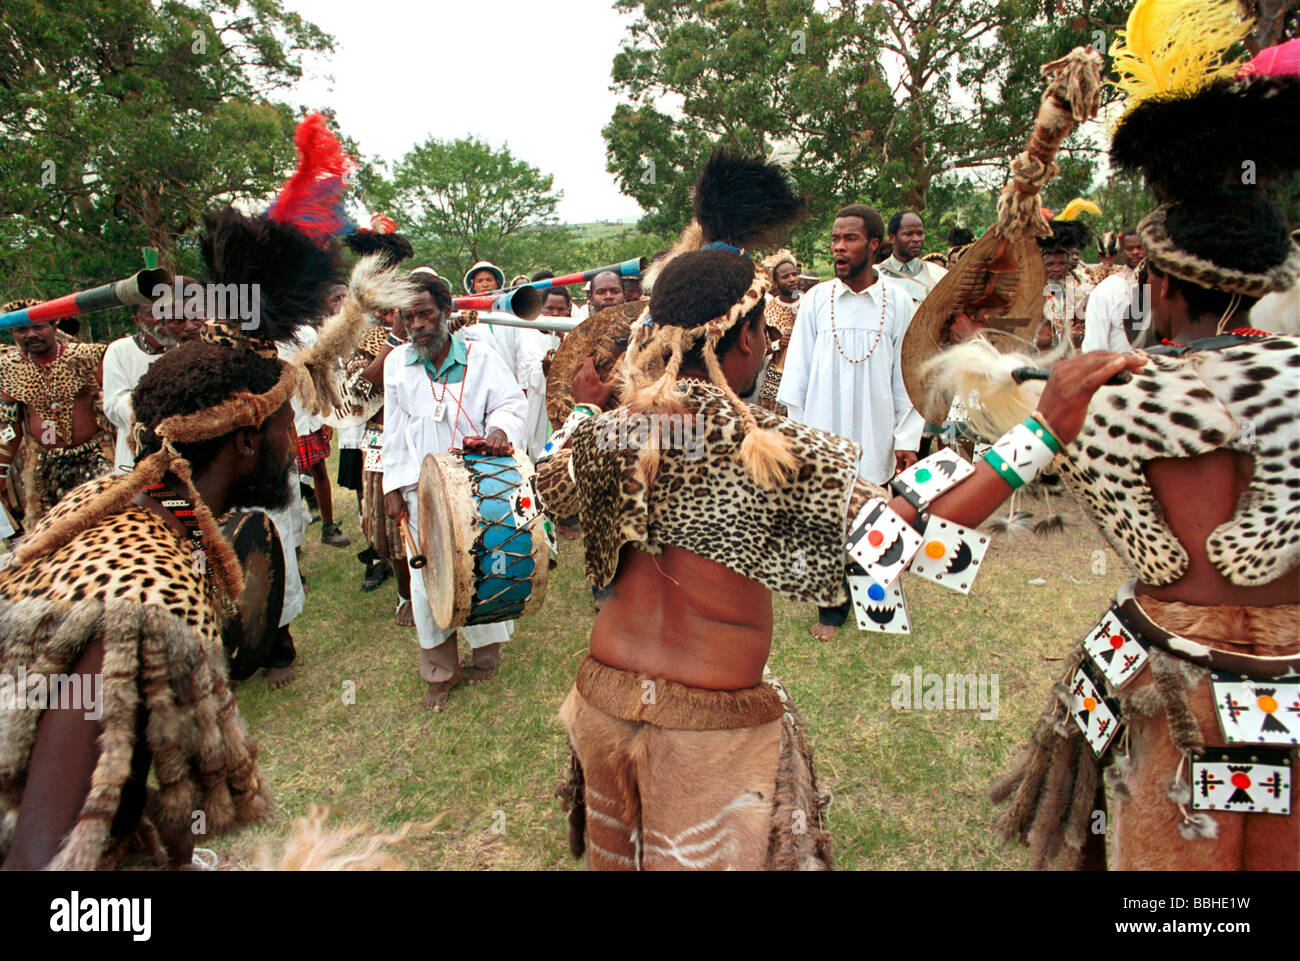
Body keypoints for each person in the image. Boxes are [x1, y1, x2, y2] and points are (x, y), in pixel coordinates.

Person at [977, 15, 1300, 870]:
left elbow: (931, 532)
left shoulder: (1108, 393)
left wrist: (1043, 427)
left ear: (1156, 281)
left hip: (1163, 678)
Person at [0, 179, 347, 867]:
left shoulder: (114, 509)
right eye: (285, 420)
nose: (293, 439)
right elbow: (41, 857)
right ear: (245, 441)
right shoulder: (140, 596)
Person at [381, 273, 527, 712]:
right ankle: (440, 671)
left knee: (484, 567)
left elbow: (510, 404)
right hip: (421, 492)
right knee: (430, 581)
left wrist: (500, 430)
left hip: (479, 486)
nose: (417, 325)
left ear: (446, 311)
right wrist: (392, 486)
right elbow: (394, 429)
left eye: (425, 313)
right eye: (409, 317)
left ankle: (485, 654)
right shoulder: (396, 364)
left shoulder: (481, 358)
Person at [777, 204, 923, 641]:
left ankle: (873, 597)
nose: (839, 247)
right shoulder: (817, 300)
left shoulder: (897, 301)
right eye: (835, 239)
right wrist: (798, 435)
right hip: (823, 428)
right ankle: (831, 606)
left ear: (874, 245)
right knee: (824, 516)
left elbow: (907, 374)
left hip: (875, 427)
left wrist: (906, 436)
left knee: (872, 513)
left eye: (850, 239)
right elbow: (797, 372)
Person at [0, 305, 112, 526]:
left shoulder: (86, 356)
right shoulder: (9, 369)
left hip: (97, 458)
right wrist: (2, 472)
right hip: (45, 466)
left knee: (105, 526)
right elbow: (9, 427)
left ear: (53, 325)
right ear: (13, 334)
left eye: (38, 327)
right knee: (52, 537)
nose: (30, 334)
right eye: (22, 329)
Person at [101, 300, 179, 473]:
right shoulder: (118, 351)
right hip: (136, 453)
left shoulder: (187, 347)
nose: (163, 318)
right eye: (153, 313)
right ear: (137, 320)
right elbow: (114, 404)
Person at [1081, 228, 1145, 352]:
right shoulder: (1106, 290)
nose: (1135, 252)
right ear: (1122, 251)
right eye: (1130, 248)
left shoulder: (1163, 288)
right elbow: (1095, 347)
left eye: (1140, 247)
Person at [755, 249, 801, 415]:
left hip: (804, 370)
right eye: (785, 277)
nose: (792, 279)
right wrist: (778, 344)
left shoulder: (809, 303)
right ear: (775, 283)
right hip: (776, 373)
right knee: (770, 416)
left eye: (794, 274)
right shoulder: (768, 310)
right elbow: (759, 350)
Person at [877, 210, 947, 305]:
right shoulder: (875, 276)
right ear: (892, 237)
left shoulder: (939, 274)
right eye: (908, 234)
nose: (916, 239)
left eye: (920, 233)